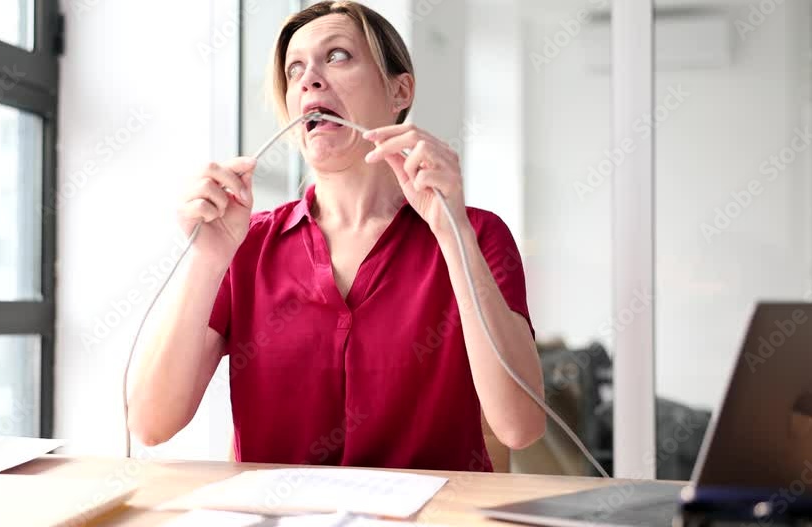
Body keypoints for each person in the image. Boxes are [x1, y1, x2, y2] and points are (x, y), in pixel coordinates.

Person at [127, 0, 545, 472]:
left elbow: (521, 426)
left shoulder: (477, 234)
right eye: (295, 69)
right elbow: (150, 423)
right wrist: (206, 259)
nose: (309, 78)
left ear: (399, 89)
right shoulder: (243, 247)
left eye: (338, 56)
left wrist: (454, 238)